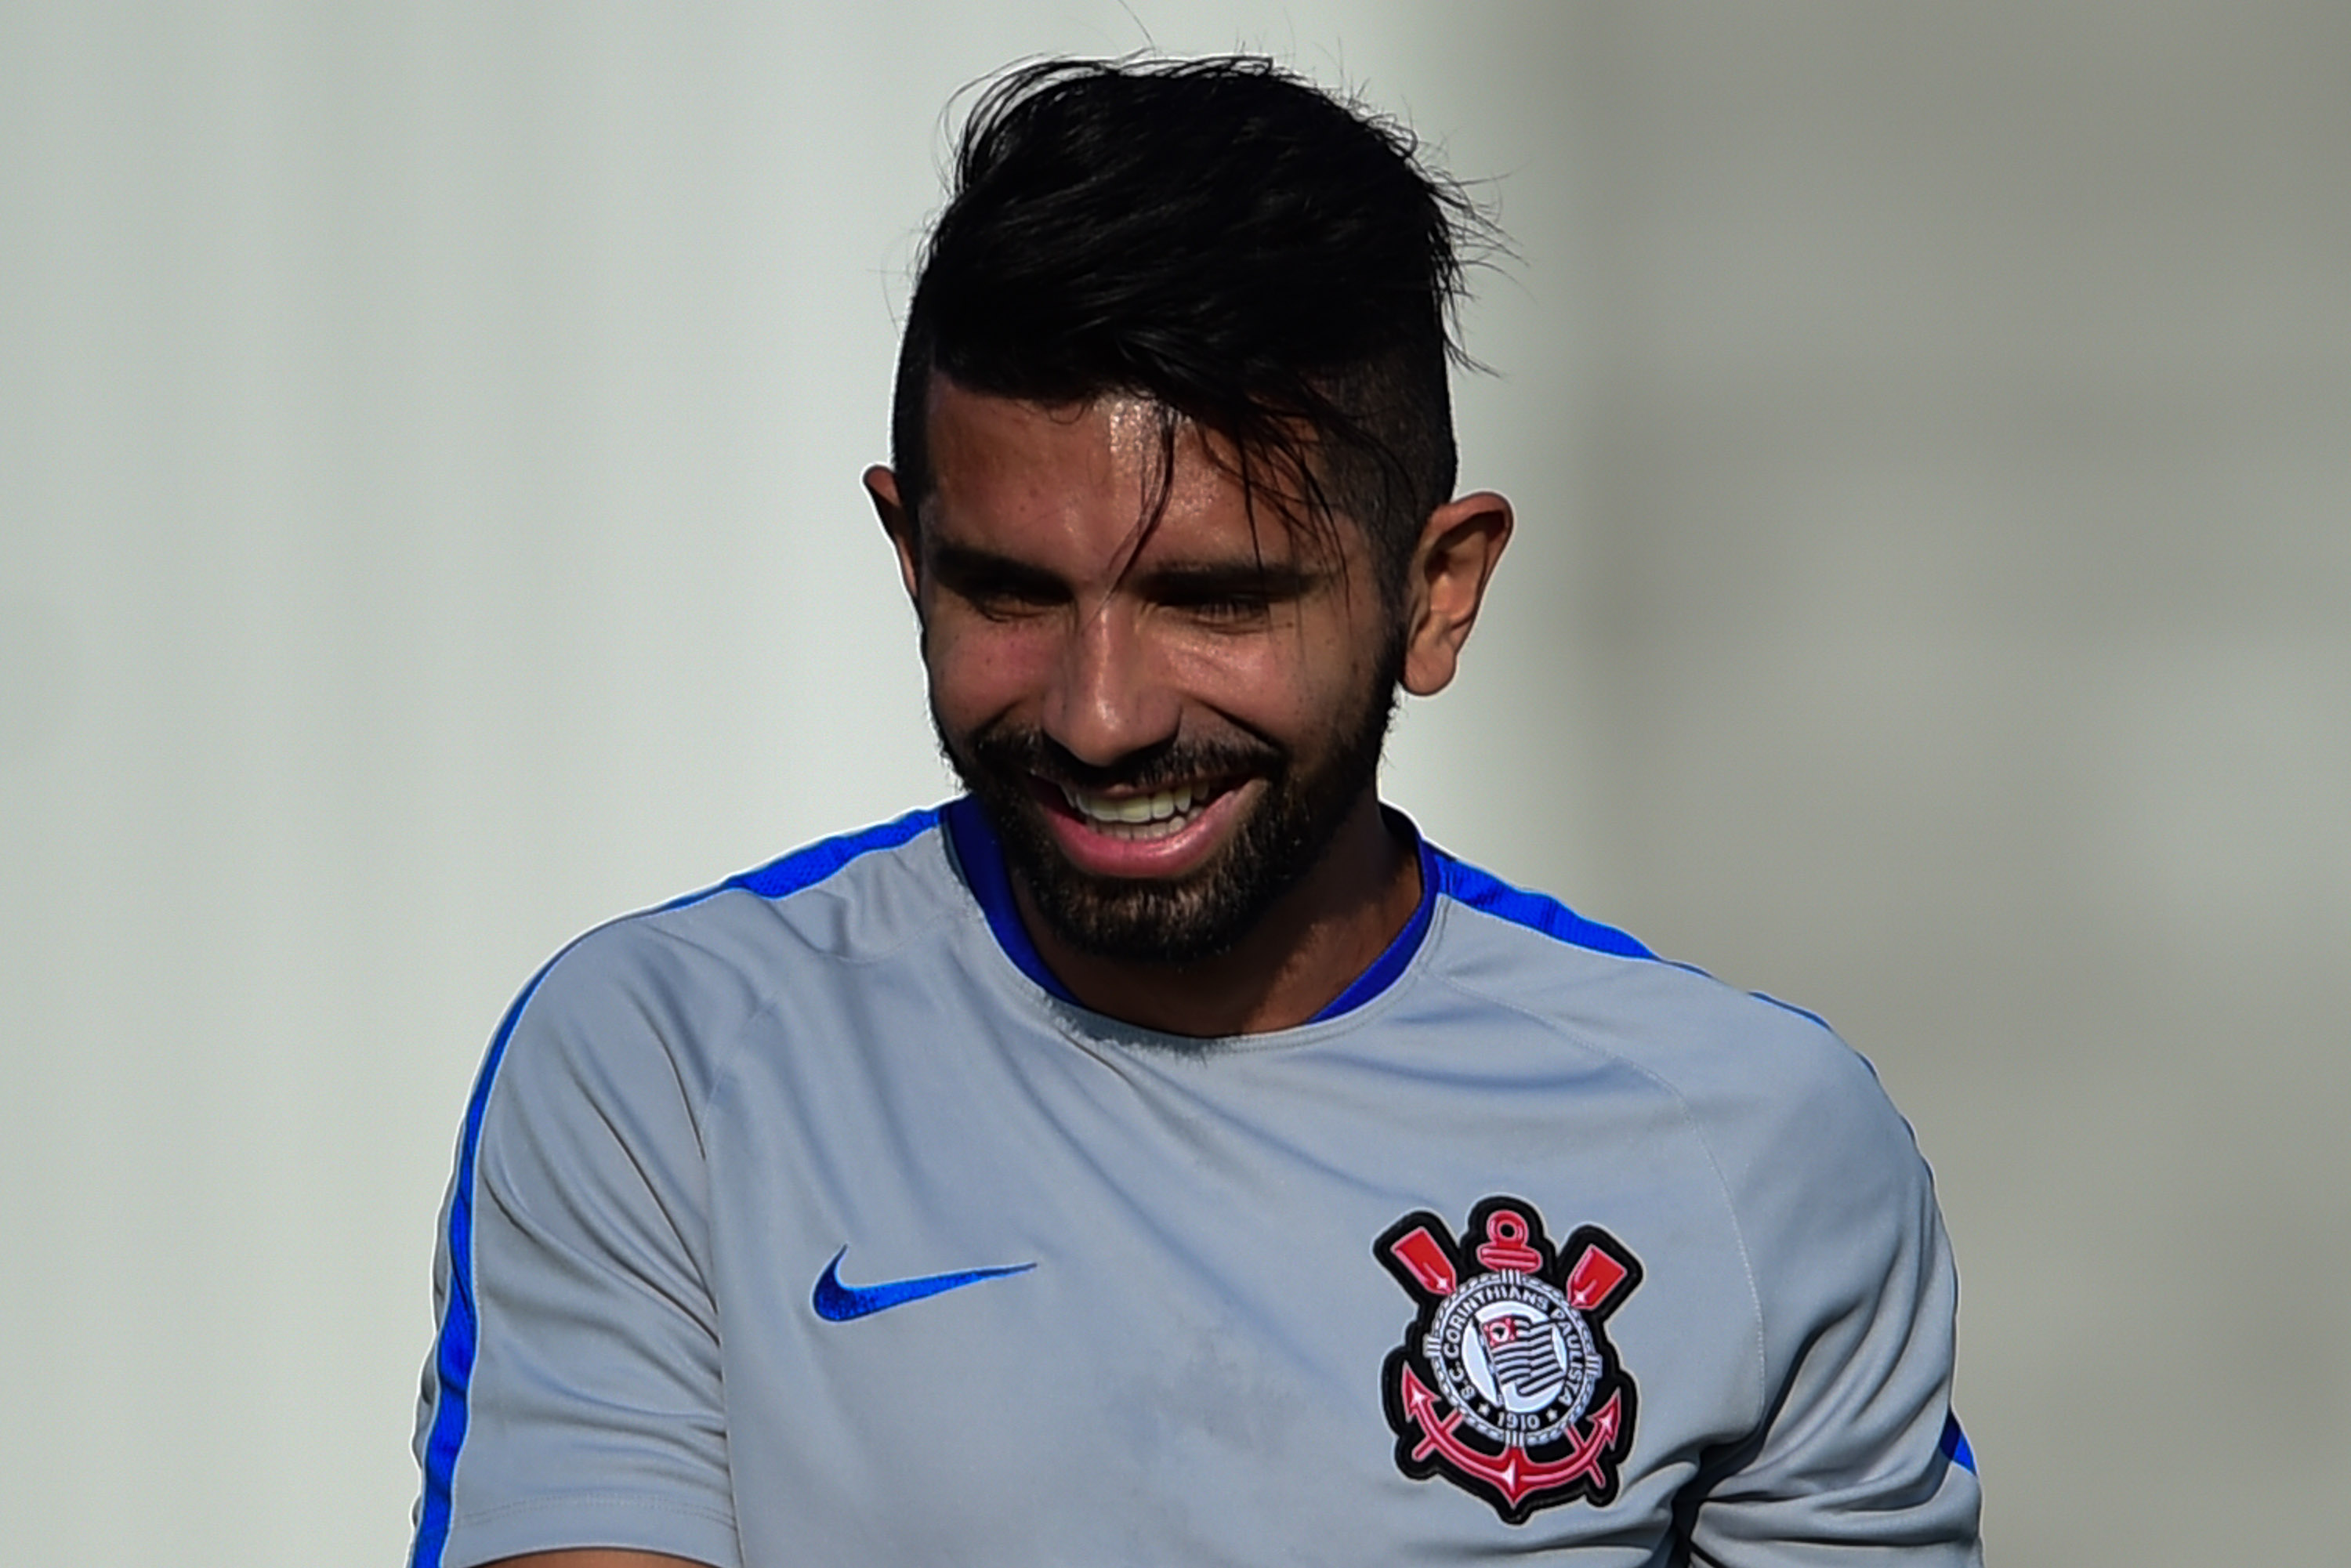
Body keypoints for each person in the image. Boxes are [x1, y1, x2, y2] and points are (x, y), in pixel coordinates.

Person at [409, 56, 1983, 1568]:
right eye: (1010, 592)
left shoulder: (1752, 1147)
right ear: (910, 554)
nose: (1101, 714)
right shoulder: (671, 1070)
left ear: (1438, 592)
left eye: (1214, 600)